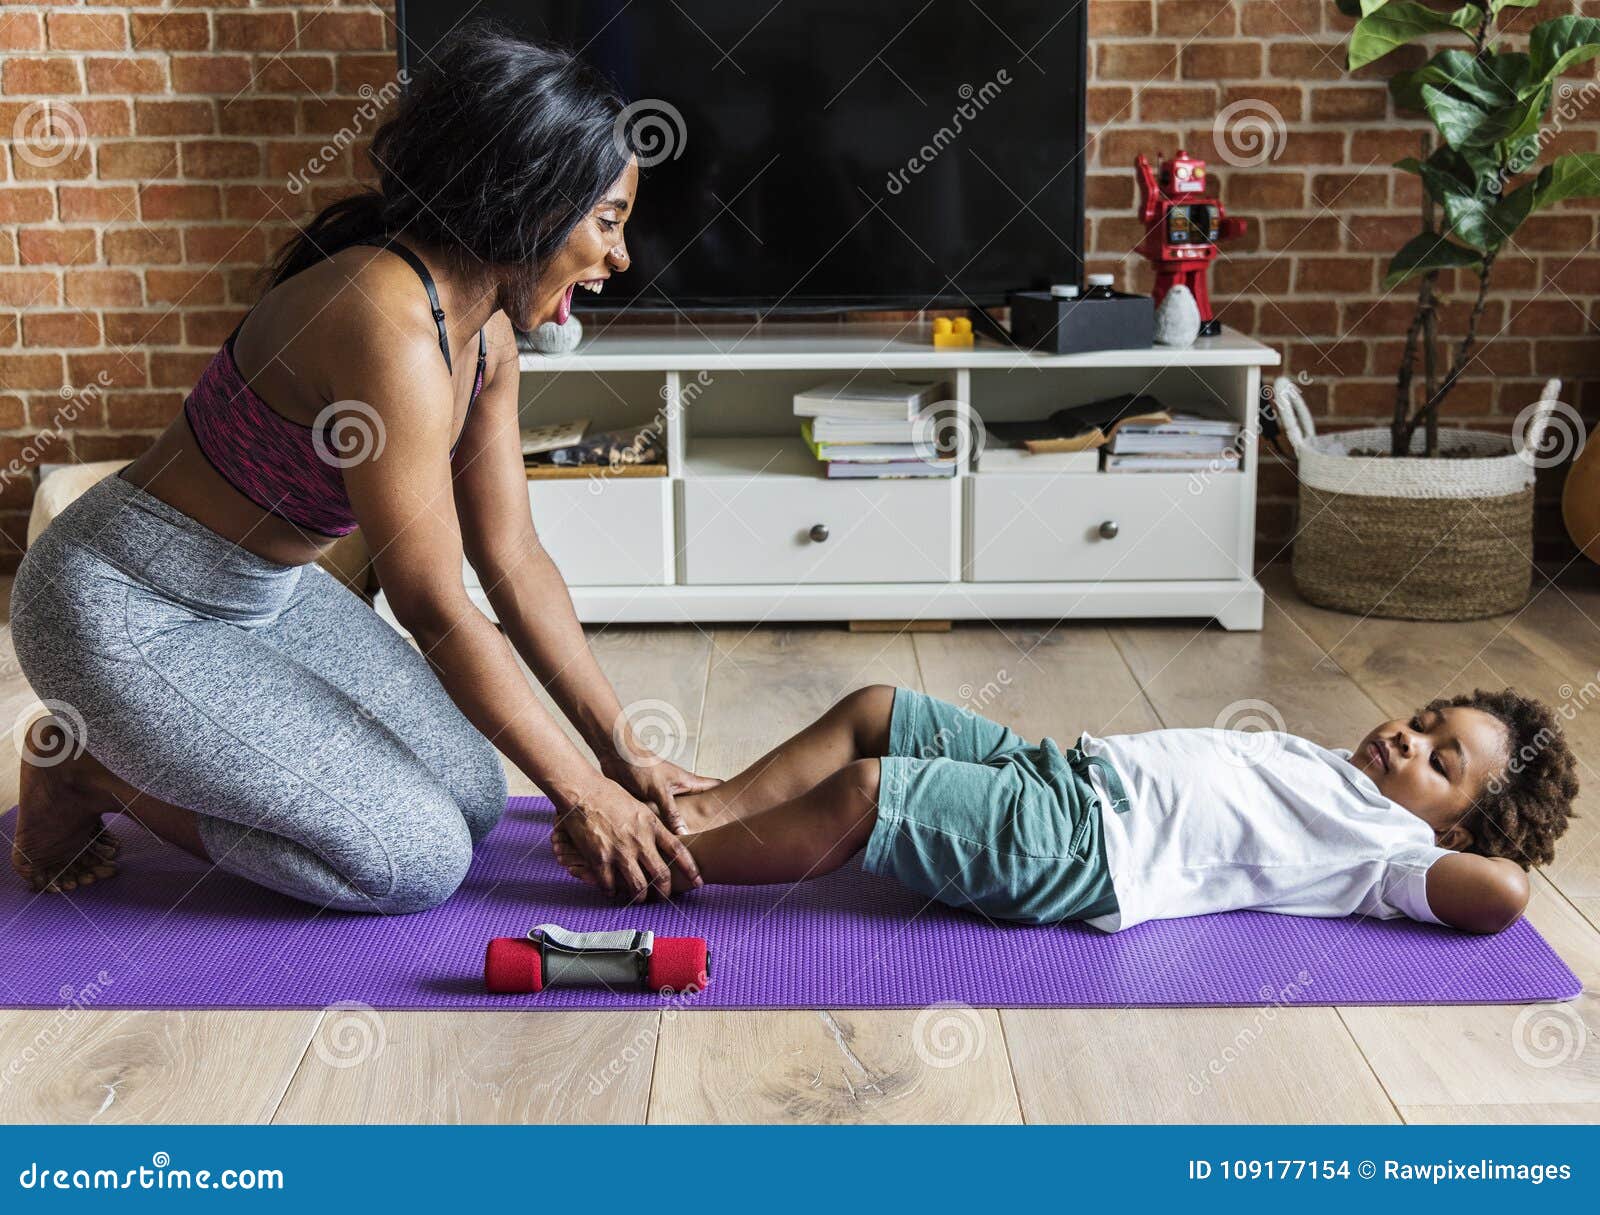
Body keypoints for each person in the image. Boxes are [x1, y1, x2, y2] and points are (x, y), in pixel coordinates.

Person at [9, 22, 715, 912]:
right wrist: (584, 795)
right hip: (124, 605)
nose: (619, 257)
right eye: (607, 221)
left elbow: (513, 558)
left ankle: (133, 757)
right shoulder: (384, 318)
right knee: (409, 861)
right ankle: (87, 774)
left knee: (476, 796)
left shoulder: (488, 335)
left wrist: (620, 753)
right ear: (532, 199)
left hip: (268, 596)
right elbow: (431, 603)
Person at [553, 685, 1578, 934]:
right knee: (878, 711)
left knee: (871, 795)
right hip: (1061, 776)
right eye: (1420, 719)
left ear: (1449, 827)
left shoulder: (1390, 851)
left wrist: (1465, 851)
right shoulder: (1340, 774)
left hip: (1087, 850)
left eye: (1439, 762)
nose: (1406, 740)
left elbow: (1500, 896)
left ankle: (666, 863)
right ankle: (699, 807)